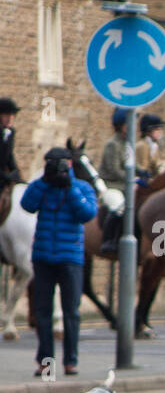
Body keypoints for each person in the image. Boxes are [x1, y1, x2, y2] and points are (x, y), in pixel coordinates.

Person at [20, 148, 98, 377]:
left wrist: (70, 186)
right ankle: (46, 363)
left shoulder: (82, 187)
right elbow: (27, 205)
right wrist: (44, 181)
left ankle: (70, 361)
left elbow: (87, 214)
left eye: (61, 164)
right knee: (43, 312)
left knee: (71, 312)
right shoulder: (41, 187)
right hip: (43, 257)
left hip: (70, 258)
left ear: (70, 165)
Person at [98, 107, 132, 254]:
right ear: (120, 125)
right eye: (128, 124)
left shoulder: (126, 143)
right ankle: (109, 240)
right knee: (119, 207)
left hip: (124, 185)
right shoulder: (113, 144)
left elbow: (131, 164)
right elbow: (114, 170)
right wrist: (133, 179)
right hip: (110, 185)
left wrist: (142, 172)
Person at [135, 113, 165, 181]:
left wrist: (161, 167)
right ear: (148, 131)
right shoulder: (142, 146)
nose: (160, 132)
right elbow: (143, 168)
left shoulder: (154, 146)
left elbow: (155, 165)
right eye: (157, 129)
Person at [0, 97, 22, 193]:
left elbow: (9, 155)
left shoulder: (10, 132)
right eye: (7, 115)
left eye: (12, 115)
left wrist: (15, 171)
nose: (10, 118)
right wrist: (3, 175)